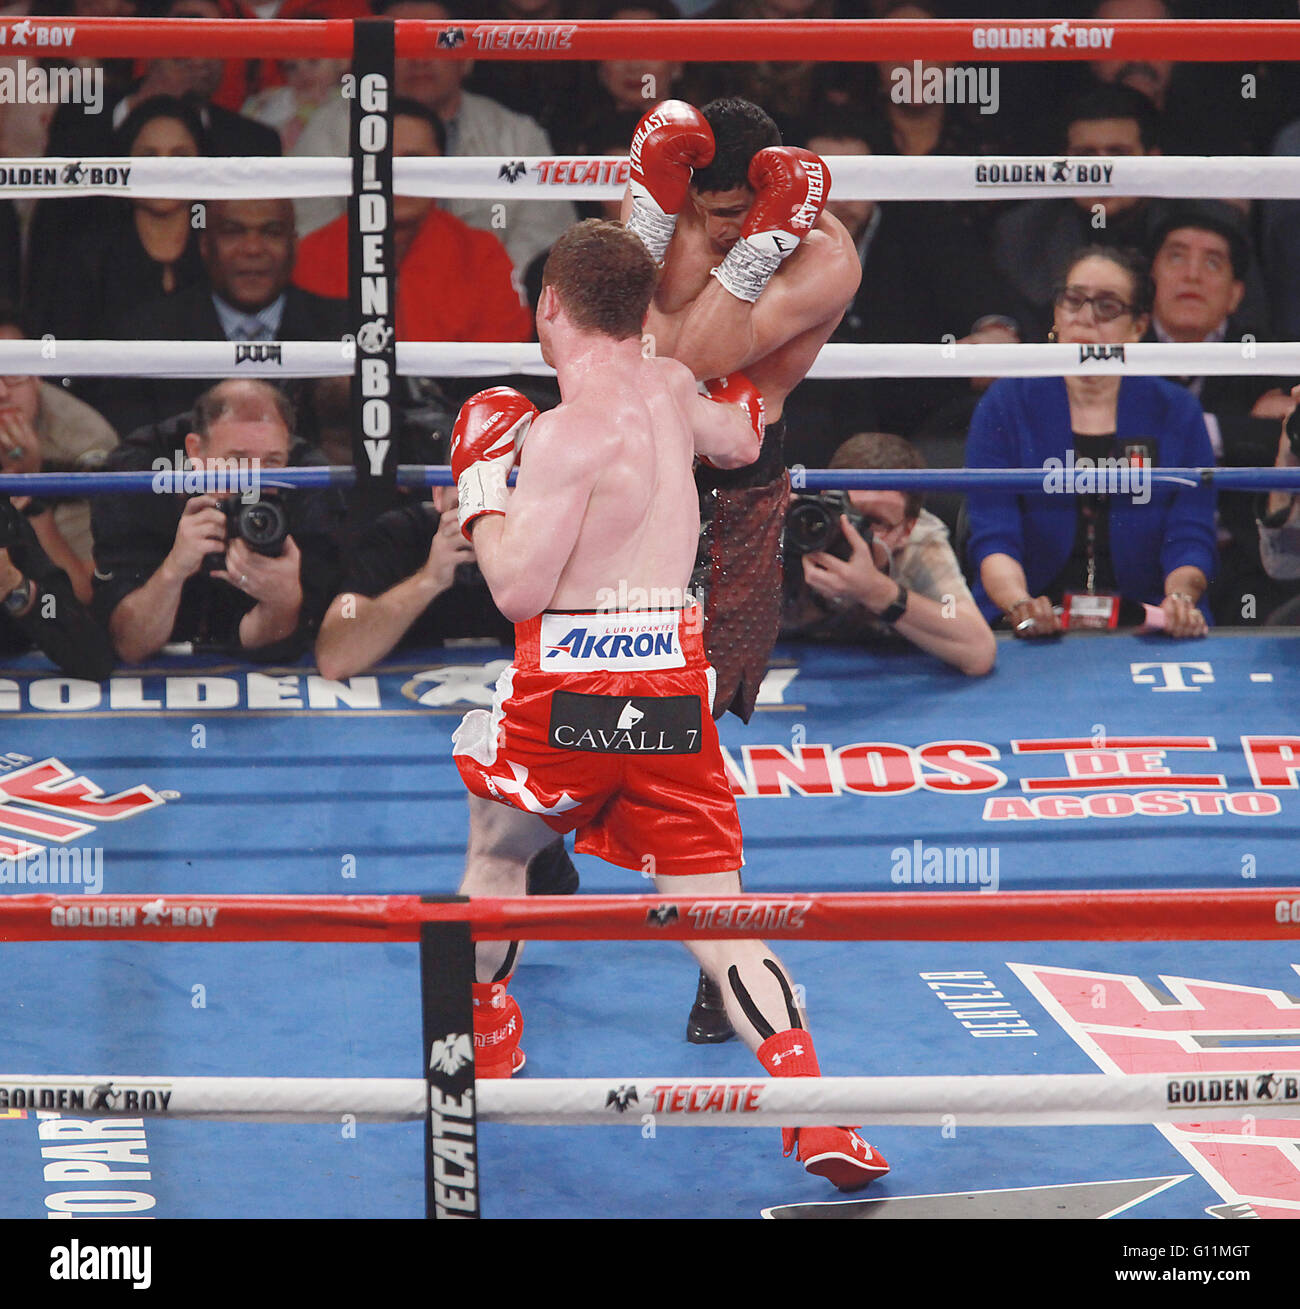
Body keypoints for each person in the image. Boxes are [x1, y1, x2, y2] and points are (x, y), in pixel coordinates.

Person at [450, 219, 889, 1192]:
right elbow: (741, 435)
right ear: (642, 310)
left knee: (498, 851)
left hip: (567, 689)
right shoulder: (671, 388)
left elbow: (517, 588)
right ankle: (816, 1111)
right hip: (669, 688)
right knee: (721, 919)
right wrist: (737, 384)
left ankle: (485, 1035)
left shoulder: (561, 434)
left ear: (549, 308)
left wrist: (481, 492)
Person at [622, 95, 861, 1042]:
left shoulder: (825, 254)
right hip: (628, 472)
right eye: (706, 216)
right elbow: (610, 343)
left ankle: (718, 944)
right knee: (573, 679)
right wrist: (647, 220)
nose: (721, 234)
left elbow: (690, 351)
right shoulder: (668, 211)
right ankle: (537, 831)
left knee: (698, 708)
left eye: (738, 217)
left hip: (733, 493)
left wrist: (756, 243)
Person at [966, 245, 1218, 640]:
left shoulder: (1177, 410)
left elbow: (1190, 532)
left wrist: (1180, 600)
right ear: (1056, 312)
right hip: (1028, 618)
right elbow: (994, 534)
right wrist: (1020, 604)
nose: (1084, 317)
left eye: (1106, 306)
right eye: (1073, 300)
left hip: (1148, 620)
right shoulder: (1005, 403)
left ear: (1137, 327)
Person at [92, 379, 341, 664]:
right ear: (196, 451)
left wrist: (282, 601)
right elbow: (130, 644)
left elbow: (272, 645)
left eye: (272, 462)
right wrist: (174, 570)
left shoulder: (311, 479)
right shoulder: (139, 472)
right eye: (237, 460)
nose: (254, 481)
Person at [784, 432, 996, 677]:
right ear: (823, 498)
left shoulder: (920, 544)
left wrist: (878, 592)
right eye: (846, 511)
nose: (854, 530)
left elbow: (978, 651)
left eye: (875, 522)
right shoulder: (790, 531)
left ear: (907, 529)